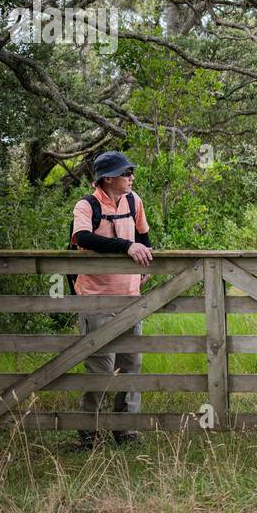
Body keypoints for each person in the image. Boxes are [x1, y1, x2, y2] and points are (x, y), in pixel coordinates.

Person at [69, 150, 154, 448]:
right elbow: (82, 238)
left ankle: (125, 429)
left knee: (132, 365)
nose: (131, 177)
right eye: (126, 173)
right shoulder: (86, 205)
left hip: (131, 297)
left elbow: (143, 235)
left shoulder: (134, 200)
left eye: (131, 171)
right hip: (96, 299)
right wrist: (126, 246)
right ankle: (88, 433)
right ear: (107, 179)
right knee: (101, 369)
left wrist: (145, 264)